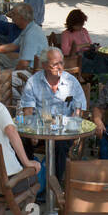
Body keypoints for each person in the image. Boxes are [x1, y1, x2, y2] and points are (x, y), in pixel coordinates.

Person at [19, 48, 89, 185]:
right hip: (39, 130)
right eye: (54, 64)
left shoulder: (71, 82)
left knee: (60, 145)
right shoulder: (33, 82)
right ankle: (29, 180)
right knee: (21, 140)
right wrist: (30, 132)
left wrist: (74, 125)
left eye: (61, 63)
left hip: (62, 132)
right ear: (44, 65)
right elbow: (28, 110)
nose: (60, 67)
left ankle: (54, 185)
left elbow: (79, 108)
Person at [0, 3, 49, 73]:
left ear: (21, 17)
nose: (11, 16)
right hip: (26, 65)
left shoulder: (31, 34)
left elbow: (24, 64)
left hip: (31, 72)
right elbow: (12, 46)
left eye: (14, 14)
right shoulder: (28, 28)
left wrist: (8, 73)